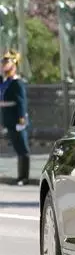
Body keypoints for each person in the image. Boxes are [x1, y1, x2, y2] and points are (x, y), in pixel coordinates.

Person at [1, 49, 30, 186]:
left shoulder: (17, 82)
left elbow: (21, 102)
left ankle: (23, 177)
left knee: (22, 149)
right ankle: (20, 176)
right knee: (18, 149)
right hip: (7, 119)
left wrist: (21, 120)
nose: (3, 64)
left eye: (6, 61)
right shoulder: (4, 81)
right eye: (3, 61)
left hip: (16, 120)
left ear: (14, 64)